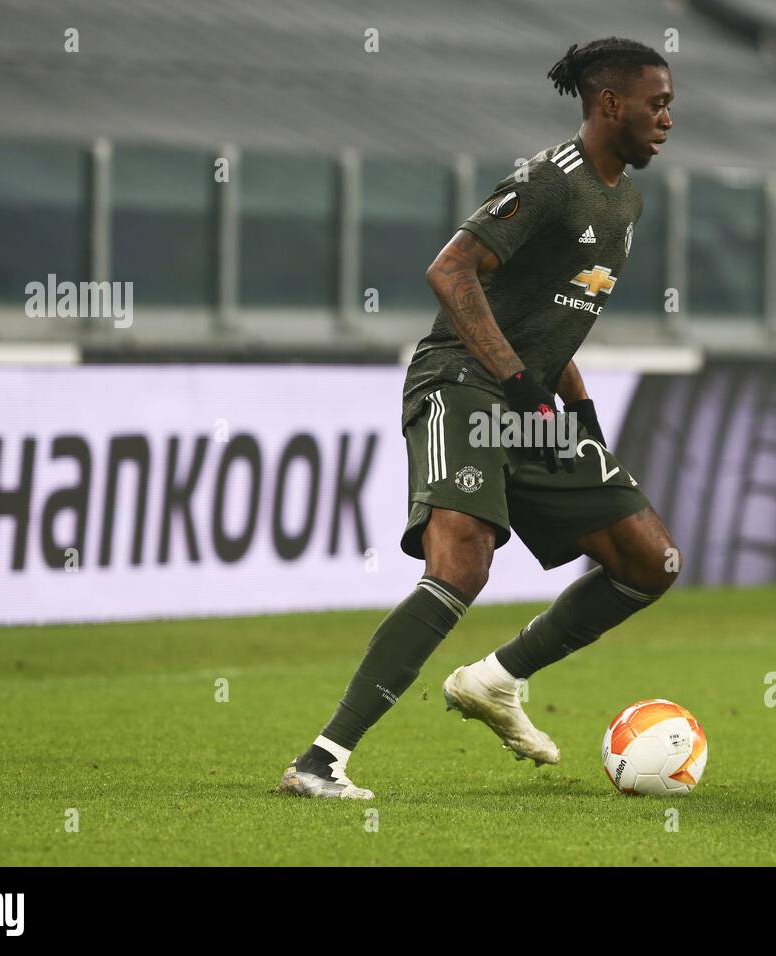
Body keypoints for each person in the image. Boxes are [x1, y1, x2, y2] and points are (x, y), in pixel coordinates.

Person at [279, 37, 681, 799]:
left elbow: (547, 314)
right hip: (460, 382)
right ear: (610, 104)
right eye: (656, 103)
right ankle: (320, 761)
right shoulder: (547, 181)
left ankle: (496, 680)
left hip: (526, 399)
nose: (667, 118)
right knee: (461, 565)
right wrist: (514, 382)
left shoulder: (624, 201)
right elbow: (450, 269)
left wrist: (579, 403)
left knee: (650, 560)